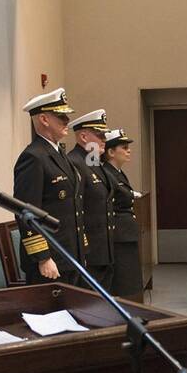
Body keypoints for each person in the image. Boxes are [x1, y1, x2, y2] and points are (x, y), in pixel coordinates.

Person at [14, 88, 86, 285]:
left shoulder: (60, 154)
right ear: (44, 120)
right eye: (61, 116)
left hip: (69, 254)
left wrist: (81, 246)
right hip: (50, 261)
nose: (67, 121)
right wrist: (43, 257)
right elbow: (26, 212)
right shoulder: (33, 157)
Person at [69, 109, 116, 289]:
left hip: (103, 248)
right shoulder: (75, 162)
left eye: (104, 134)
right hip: (90, 250)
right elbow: (77, 208)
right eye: (99, 134)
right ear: (83, 136)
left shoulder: (92, 161)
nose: (104, 139)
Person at [104, 128, 143, 299]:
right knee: (122, 284)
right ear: (111, 152)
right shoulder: (107, 173)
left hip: (126, 234)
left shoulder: (117, 172)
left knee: (129, 283)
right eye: (124, 147)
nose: (129, 151)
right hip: (118, 235)